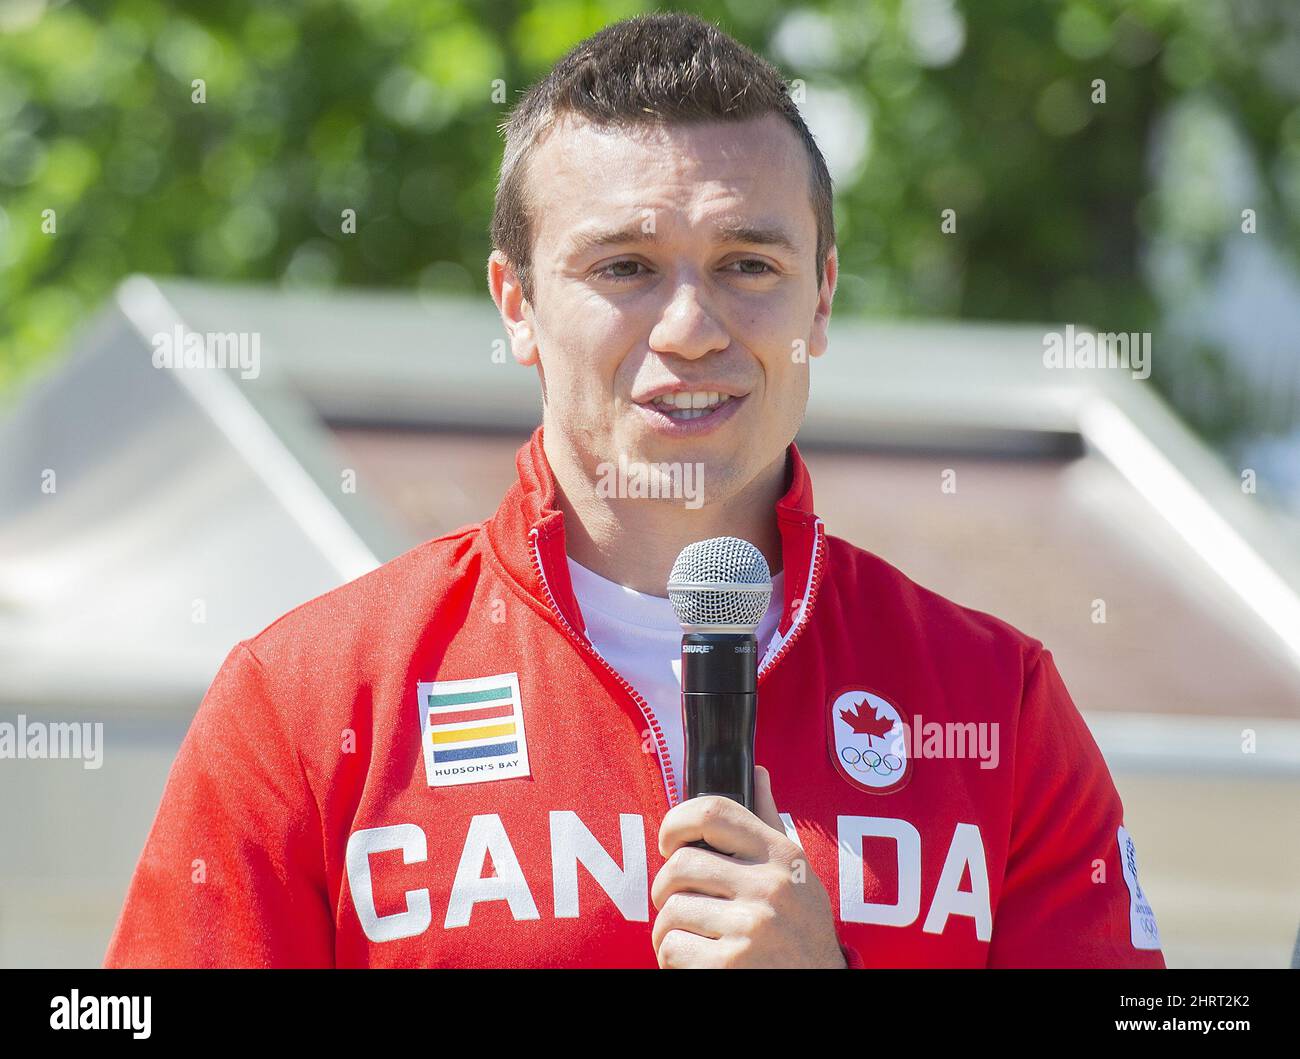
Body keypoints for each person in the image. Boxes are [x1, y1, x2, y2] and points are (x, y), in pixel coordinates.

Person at [105, 12, 1165, 969]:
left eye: (748, 264)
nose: (691, 329)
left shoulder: (993, 705)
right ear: (515, 304)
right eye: (623, 268)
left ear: (822, 296)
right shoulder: (310, 702)